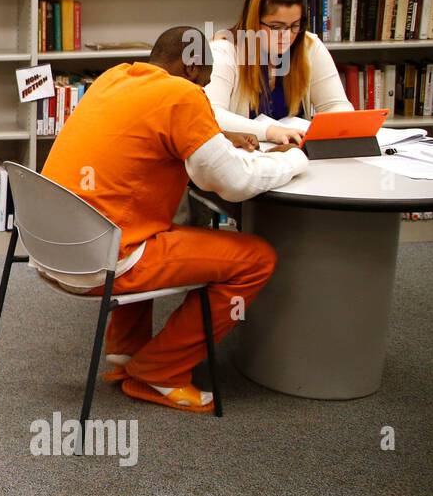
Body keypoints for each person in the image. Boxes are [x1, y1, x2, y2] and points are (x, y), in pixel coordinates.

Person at [38, 26, 308, 412]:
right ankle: (160, 370)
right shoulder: (183, 95)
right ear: (191, 66)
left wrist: (220, 135)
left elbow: (153, 130)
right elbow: (233, 183)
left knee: (147, 223)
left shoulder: (114, 78)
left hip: (54, 248)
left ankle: (126, 355)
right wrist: (296, 160)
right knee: (256, 258)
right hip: (104, 261)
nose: (204, 92)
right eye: (204, 83)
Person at [206, 0, 353, 144]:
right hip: (245, 155)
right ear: (253, 23)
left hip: (294, 150)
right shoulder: (223, 51)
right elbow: (212, 114)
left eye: (295, 26)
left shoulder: (309, 45)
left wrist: (333, 128)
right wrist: (270, 132)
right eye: (276, 27)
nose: (288, 35)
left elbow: (336, 105)